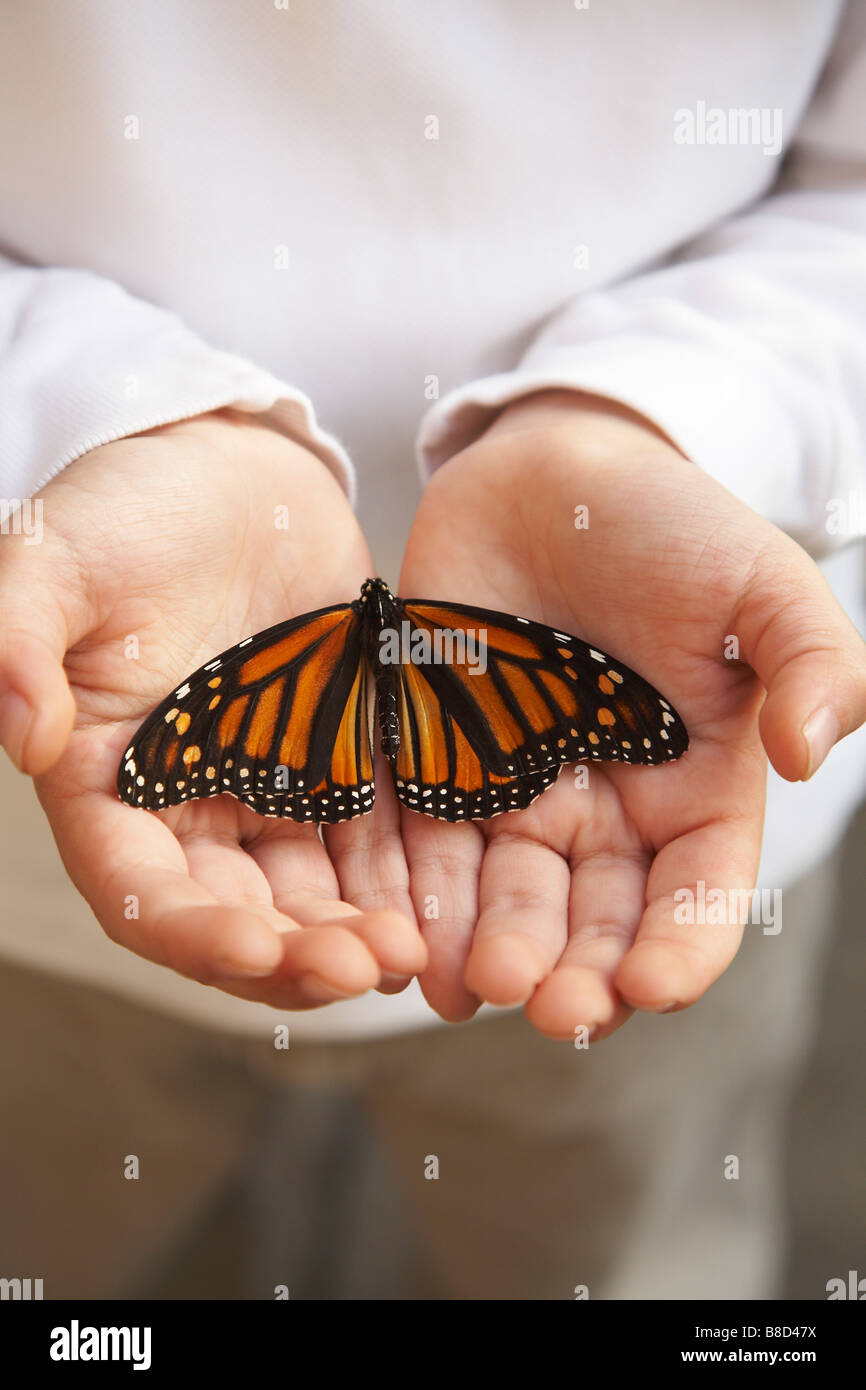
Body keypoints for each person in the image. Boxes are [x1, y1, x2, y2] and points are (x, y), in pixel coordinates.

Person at [0, 0, 864, 1298]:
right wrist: (68, 418)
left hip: (652, 834)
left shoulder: (290, 679)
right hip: (51, 896)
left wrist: (676, 418)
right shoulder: (486, 659)